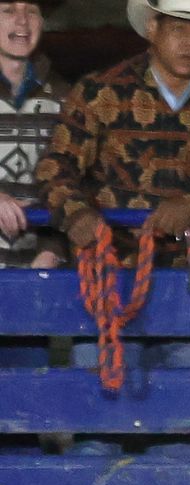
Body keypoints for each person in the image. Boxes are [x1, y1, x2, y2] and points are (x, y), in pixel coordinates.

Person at [35, 0, 190, 371]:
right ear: (153, 29)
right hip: (111, 278)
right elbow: (55, 167)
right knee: (104, 391)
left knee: (183, 398)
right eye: (179, 29)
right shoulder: (100, 92)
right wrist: (76, 213)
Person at [0, 0, 67, 367]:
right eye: (8, 10)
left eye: (31, 10)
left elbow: (79, 183)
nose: (22, 21)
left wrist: (53, 248)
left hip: (31, 281)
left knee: (25, 391)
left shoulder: (67, 99)